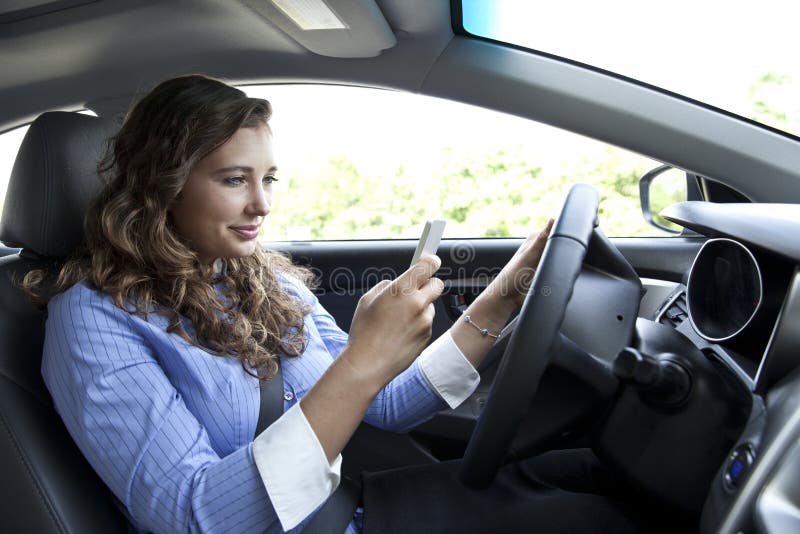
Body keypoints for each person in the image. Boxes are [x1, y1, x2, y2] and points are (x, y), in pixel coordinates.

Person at [23, 74, 556, 533]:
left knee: (576, 478)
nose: (262, 204)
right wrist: (363, 360)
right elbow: (193, 516)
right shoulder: (94, 320)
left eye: (268, 179)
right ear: (163, 185)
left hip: (355, 509)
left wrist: (509, 291)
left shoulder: (262, 278)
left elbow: (388, 403)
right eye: (235, 180)